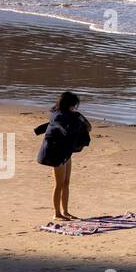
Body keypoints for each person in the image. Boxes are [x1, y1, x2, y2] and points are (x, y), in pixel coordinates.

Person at [34, 91, 92, 221]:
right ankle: (56, 213)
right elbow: (66, 131)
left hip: (66, 151)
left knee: (66, 182)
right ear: (68, 105)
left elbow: (87, 127)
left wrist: (79, 119)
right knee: (59, 184)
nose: (75, 108)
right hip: (56, 152)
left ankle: (65, 211)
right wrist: (78, 122)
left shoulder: (68, 115)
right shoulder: (58, 116)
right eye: (73, 105)